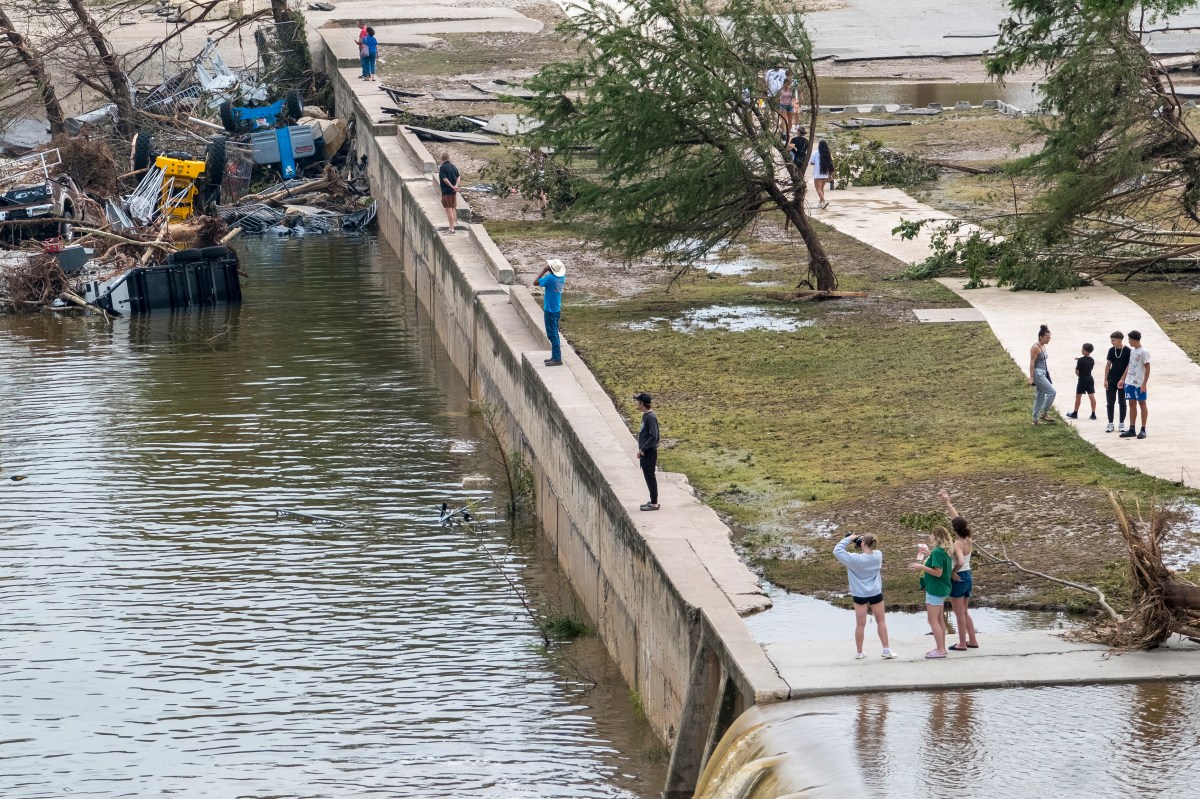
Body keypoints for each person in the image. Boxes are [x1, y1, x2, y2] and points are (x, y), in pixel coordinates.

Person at [833, 532, 897, 660]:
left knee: (860, 624)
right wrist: (861, 542)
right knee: (881, 621)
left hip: (859, 594)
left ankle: (859, 652)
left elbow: (837, 551)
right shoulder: (878, 555)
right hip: (875, 593)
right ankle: (886, 649)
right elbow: (870, 551)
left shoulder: (854, 559)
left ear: (862, 543)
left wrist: (849, 539)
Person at [939, 490, 978, 651]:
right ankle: (972, 640)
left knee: (959, 613)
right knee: (965, 612)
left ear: (954, 530)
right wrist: (947, 503)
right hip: (968, 577)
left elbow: (960, 561)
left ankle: (962, 643)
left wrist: (952, 572)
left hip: (959, 577)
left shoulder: (957, 543)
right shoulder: (968, 538)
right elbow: (957, 519)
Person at [906, 526, 953, 659]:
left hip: (935, 589)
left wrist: (921, 566)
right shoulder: (944, 550)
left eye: (932, 534)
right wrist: (928, 553)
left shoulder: (937, 551)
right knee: (939, 619)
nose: (930, 536)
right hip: (942, 588)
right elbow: (937, 563)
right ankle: (941, 647)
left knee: (933, 621)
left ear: (936, 536)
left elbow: (938, 572)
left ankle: (940, 650)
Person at [1118, 329, 1151, 439]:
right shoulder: (1132, 351)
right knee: (1131, 404)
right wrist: (1123, 379)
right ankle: (1132, 429)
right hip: (1129, 382)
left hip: (1139, 383)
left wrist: (1144, 384)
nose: (1129, 342)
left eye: (1130, 340)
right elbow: (1130, 365)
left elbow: (1148, 369)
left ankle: (1143, 429)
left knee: (1142, 404)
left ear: (1134, 340)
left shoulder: (1144, 352)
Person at [534, 259, 565, 366]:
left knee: (552, 335)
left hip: (550, 310)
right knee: (555, 333)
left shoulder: (550, 278)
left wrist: (544, 270)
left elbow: (535, 282)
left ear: (551, 269)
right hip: (556, 308)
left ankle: (557, 358)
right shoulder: (561, 277)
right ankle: (555, 356)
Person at [634, 392, 660, 511]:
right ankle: (653, 500)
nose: (636, 403)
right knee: (648, 476)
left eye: (637, 401)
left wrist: (643, 448)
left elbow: (653, 436)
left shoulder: (650, 417)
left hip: (649, 452)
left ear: (642, 403)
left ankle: (654, 503)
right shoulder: (646, 416)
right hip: (645, 452)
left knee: (650, 477)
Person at [1027, 324, 1055, 425]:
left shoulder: (1043, 346)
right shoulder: (1036, 347)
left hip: (1043, 372)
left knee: (1040, 397)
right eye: (1047, 337)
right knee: (1052, 392)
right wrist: (1031, 377)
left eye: (1050, 337)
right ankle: (1044, 413)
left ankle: (1035, 419)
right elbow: (1032, 362)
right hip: (1038, 374)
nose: (1049, 339)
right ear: (1041, 337)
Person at [1103, 331, 1130, 434]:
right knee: (1110, 402)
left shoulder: (1127, 351)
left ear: (1119, 340)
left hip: (1123, 380)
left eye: (1113, 340)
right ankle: (1110, 423)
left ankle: (1121, 424)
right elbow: (1108, 365)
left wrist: (1122, 379)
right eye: (1111, 340)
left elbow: (1128, 366)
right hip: (1111, 379)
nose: (1111, 342)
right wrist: (1105, 379)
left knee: (1122, 402)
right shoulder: (1111, 350)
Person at [1065, 342, 1097, 421]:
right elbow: (1086, 361)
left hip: (1082, 379)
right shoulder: (1092, 360)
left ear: (1085, 351)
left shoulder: (1080, 361)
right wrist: (1079, 359)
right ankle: (1093, 414)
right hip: (1090, 378)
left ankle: (1075, 413)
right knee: (1091, 396)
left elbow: (1077, 372)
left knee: (1078, 396)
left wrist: (1079, 361)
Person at [438, 152, 460, 234]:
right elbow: (458, 176)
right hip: (453, 192)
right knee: (453, 208)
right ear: (448, 158)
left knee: (448, 210)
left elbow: (445, 179)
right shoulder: (453, 166)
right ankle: (452, 227)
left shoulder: (443, 167)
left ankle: (451, 229)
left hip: (447, 192)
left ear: (441, 159)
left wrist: (452, 186)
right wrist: (456, 186)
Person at [810, 140, 833, 209]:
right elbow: (830, 163)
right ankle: (820, 204)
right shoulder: (828, 154)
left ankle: (824, 201)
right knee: (822, 189)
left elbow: (811, 162)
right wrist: (830, 175)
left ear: (819, 146)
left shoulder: (815, 153)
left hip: (818, 174)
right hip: (825, 174)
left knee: (818, 189)